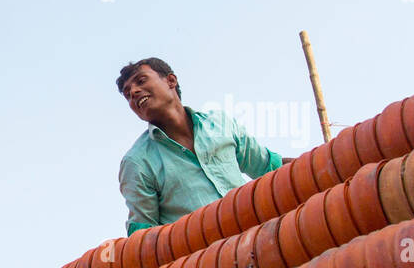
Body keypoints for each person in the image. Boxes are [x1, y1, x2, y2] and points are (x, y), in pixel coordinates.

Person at [116, 58, 290, 234]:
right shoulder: (137, 162)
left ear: (171, 81)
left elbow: (269, 167)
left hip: (259, 239)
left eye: (141, 81)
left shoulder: (220, 125)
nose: (134, 92)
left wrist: (317, 161)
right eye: (127, 94)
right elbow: (143, 237)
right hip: (206, 258)